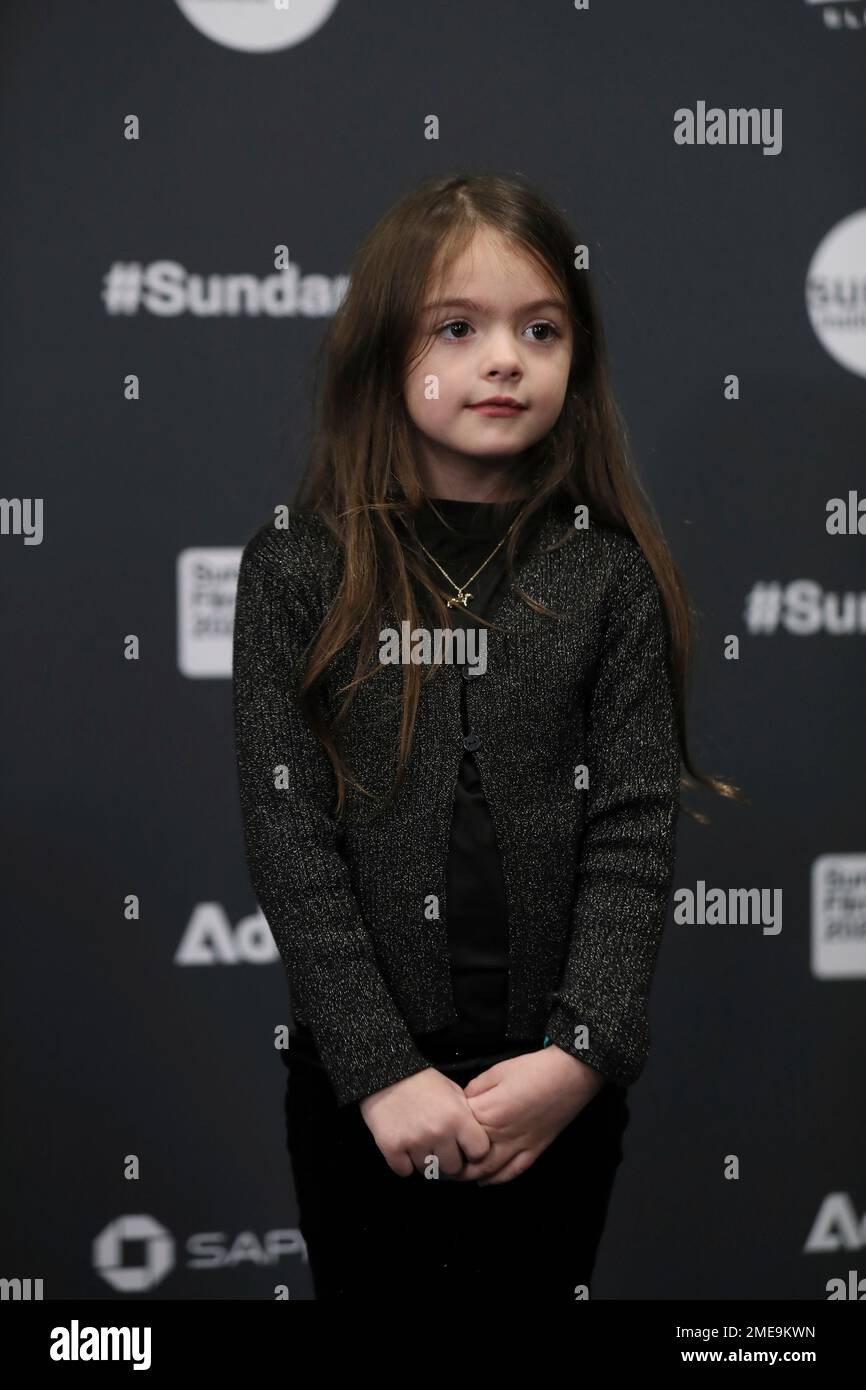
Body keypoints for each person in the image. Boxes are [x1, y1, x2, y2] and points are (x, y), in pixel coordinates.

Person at [231, 172, 741, 1301]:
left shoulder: (605, 575)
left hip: (553, 1090)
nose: (504, 358)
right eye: (457, 328)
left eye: (540, 329)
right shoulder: (296, 567)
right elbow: (288, 836)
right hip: (361, 1090)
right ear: (380, 351)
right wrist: (379, 1074)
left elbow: (630, 826)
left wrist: (579, 1056)